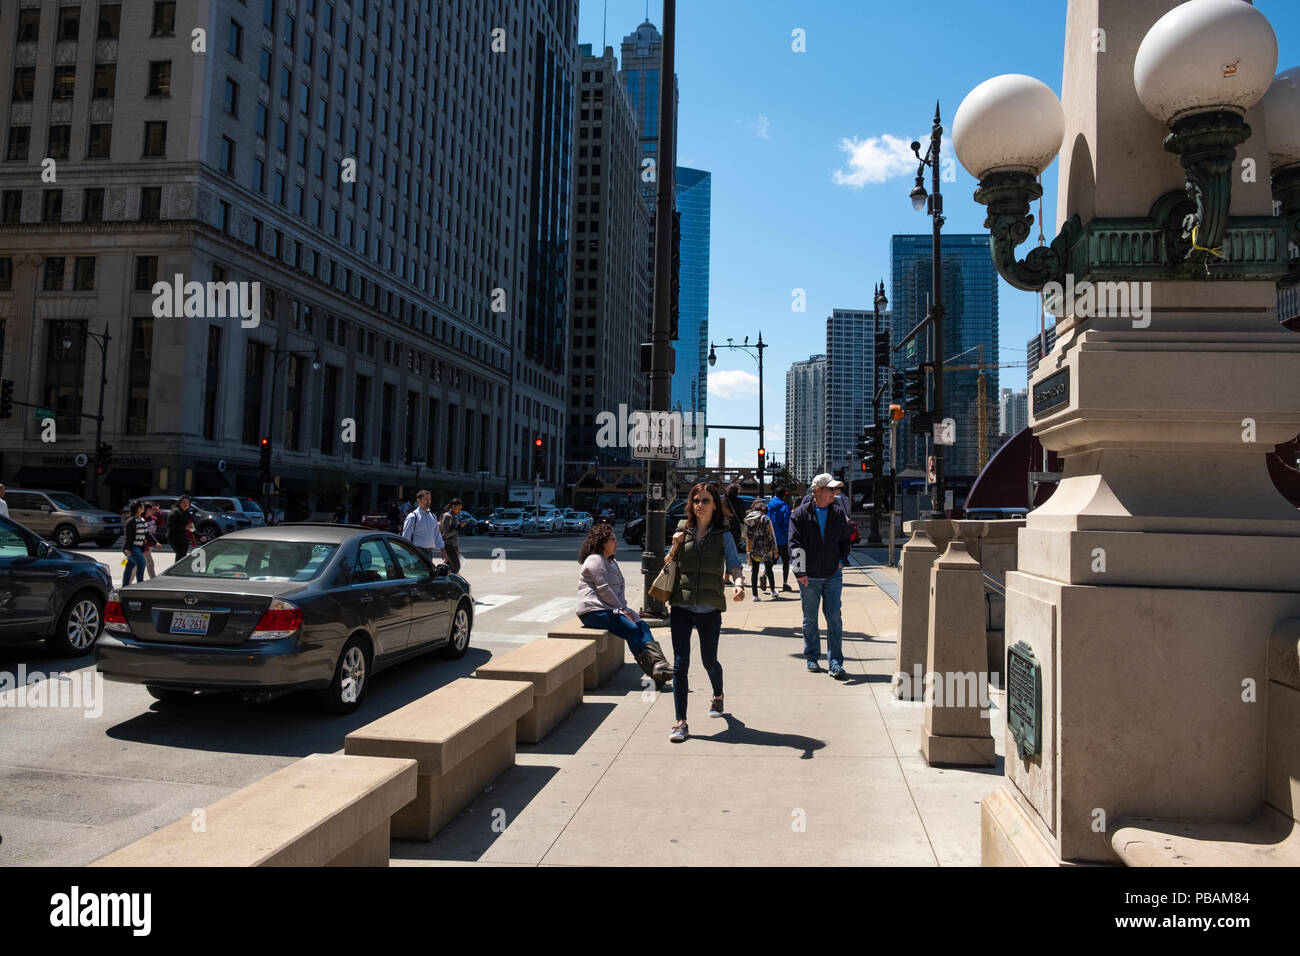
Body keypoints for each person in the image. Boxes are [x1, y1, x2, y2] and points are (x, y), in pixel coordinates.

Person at [662, 481, 745, 743]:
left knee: (709, 660)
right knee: (679, 664)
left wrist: (739, 584)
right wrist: (675, 546)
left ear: (715, 505)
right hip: (681, 605)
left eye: (705, 500)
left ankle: (718, 694)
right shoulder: (681, 530)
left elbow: (734, 564)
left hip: (709, 608)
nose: (699, 505)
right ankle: (681, 721)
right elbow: (668, 562)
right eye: (696, 500)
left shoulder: (723, 534)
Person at [576, 524, 672, 688]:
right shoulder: (595, 560)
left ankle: (660, 664)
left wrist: (625, 609)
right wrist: (621, 610)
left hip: (609, 608)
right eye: (613, 539)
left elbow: (618, 589)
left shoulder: (611, 561)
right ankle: (653, 671)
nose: (617, 543)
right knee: (631, 628)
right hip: (593, 611)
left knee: (641, 625)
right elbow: (603, 589)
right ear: (602, 542)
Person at [789, 473, 854, 680]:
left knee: (834, 618)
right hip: (810, 577)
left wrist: (842, 561)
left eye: (835, 490)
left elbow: (846, 540)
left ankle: (835, 662)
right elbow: (794, 543)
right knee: (810, 619)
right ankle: (812, 656)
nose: (835, 493)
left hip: (833, 574)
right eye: (830, 489)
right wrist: (800, 572)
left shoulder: (837, 513)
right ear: (817, 491)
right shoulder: (799, 514)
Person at [742, 498, 779, 601]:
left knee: (754, 572)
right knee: (769, 569)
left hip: (753, 550)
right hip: (765, 549)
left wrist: (748, 551)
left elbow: (745, 536)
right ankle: (773, 591)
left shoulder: (747, 519)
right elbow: (771, 535)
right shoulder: (764, 518)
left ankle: (755, 595)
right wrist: (775, 550)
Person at [401, 489, 445, 562]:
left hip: (429, 553)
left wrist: (443, 550)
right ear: (418, 500)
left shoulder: (433, 516)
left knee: (428, 573)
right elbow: (406, 537)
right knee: (418, 573)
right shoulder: (413, 516)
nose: (428, 502)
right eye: (426, 499)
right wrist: (406, 554)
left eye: (430, 499)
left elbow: (437, 535)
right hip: (416, 553)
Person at [767, 490, 793, 592]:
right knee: (785, 560)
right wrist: (788, 537)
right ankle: (785, 583)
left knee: (772, 559)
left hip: (769, 536)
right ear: (783, 496)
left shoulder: (768, 506)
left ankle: (765, 575)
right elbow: (786, 524)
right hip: (781, 537)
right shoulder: (785, 507)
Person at [724, 482, 746, 589]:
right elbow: (742, 517)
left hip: (722, 528)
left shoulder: (723, 501)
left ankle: (725, 576)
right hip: (734, 529)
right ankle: (727, 577)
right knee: (732, 553)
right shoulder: (738, 502)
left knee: (721, 553)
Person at [121, 501, 148, 587]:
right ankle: (140, 585)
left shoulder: (142, 519)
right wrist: (127, 549)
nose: (143, 507)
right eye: (142, 506)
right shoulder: (131, 520)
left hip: (139, 547)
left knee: (129, 567)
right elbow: (128, 536)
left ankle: (124, 587)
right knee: (141, 564)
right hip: (132, 548)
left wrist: (156, 542)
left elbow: (147, 533)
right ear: (138, 509)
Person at [440, 498, 463, 574]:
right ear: (453, 506)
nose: (459, 511)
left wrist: (456, 548)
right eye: (458, 508)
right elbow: (447, 534)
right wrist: (458, 527)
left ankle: (444, 581)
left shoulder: (454, 516)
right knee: (456, 566)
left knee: (448, 566)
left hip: (453, 545)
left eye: (460, 509)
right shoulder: (447, 516)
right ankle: (451, 582)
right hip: (448, 545)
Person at [166, 496, 192, 560]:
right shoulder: (175, 511)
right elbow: (169, 524)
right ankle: (176, 570)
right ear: (180, 503)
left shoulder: (187, 513)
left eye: (187, 503)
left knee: (182, 557)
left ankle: (177, 569)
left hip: (183, 539)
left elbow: (191, 527)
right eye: (184, 502)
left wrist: (200, 536)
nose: (186, 504)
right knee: (181, 555)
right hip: (175, 538)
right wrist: (184, 527)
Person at [141, 502, 160, 580]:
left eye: (153, 509)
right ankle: (153, 580)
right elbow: (146, 533)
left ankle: (126, 584)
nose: (152, 511)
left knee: (134, 566)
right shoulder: (141, 519)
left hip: (150, 544)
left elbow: (160, 523)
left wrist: (159, 513)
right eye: (150, 509)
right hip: (143, 545)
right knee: (150, 563)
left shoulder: (153, 519)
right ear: (145, 510)